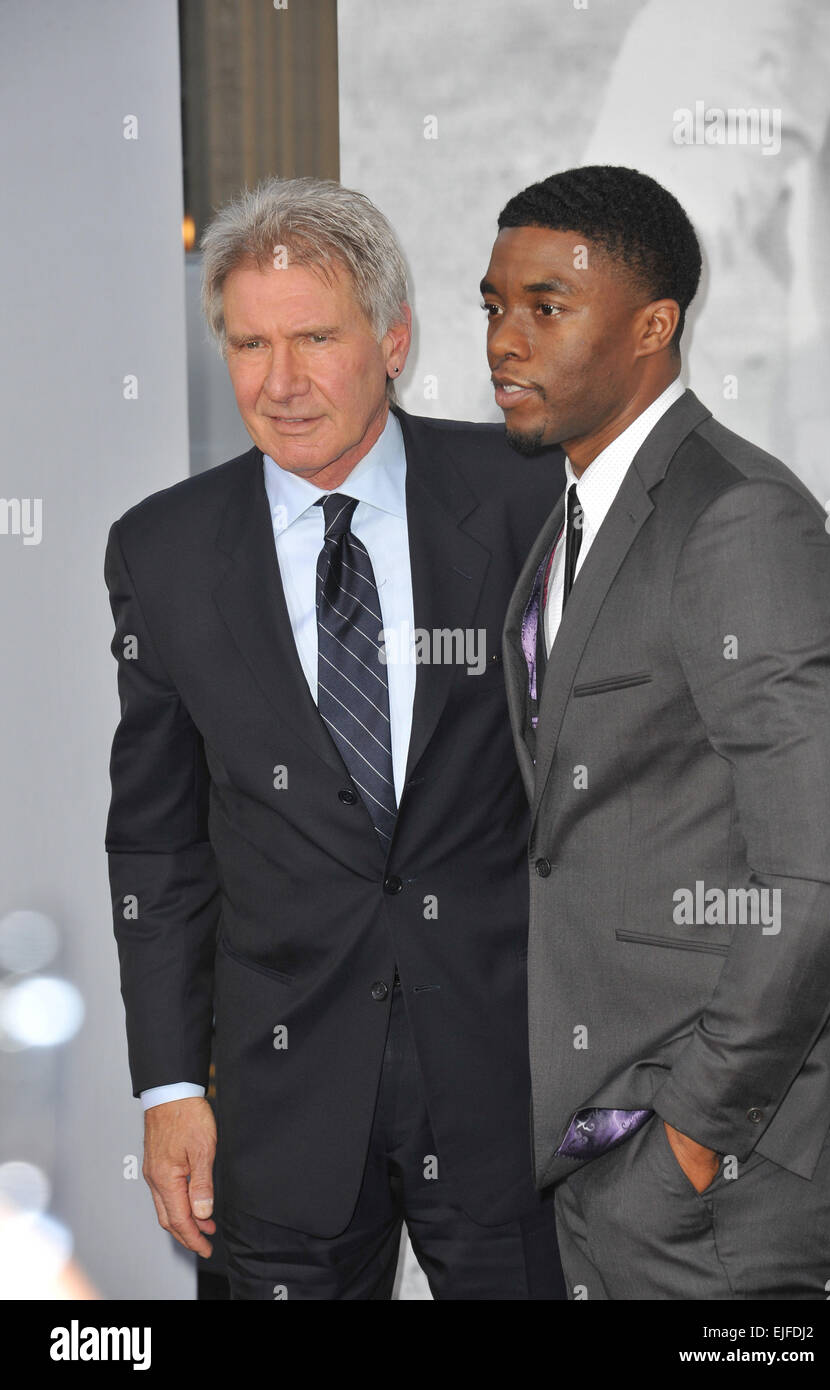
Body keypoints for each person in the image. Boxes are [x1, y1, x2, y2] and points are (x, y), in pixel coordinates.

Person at [103, 176, 566, 1301]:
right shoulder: (161, 553)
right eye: (249, 343)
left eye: (315, 337)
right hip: (279, 1110)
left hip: (509, 1084)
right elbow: (157, 846)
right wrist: (168, 1088)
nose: (280, 381)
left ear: (394, 338)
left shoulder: (528, 496)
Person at [485, 164, 830, 1299]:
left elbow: (821, 877)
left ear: (655, 327)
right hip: (606, 1159)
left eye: (547, 306)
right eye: (495, 305)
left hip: (716, 1189)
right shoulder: (575, 521)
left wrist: (690, 1139)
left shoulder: (738, 518)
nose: (508, 339)